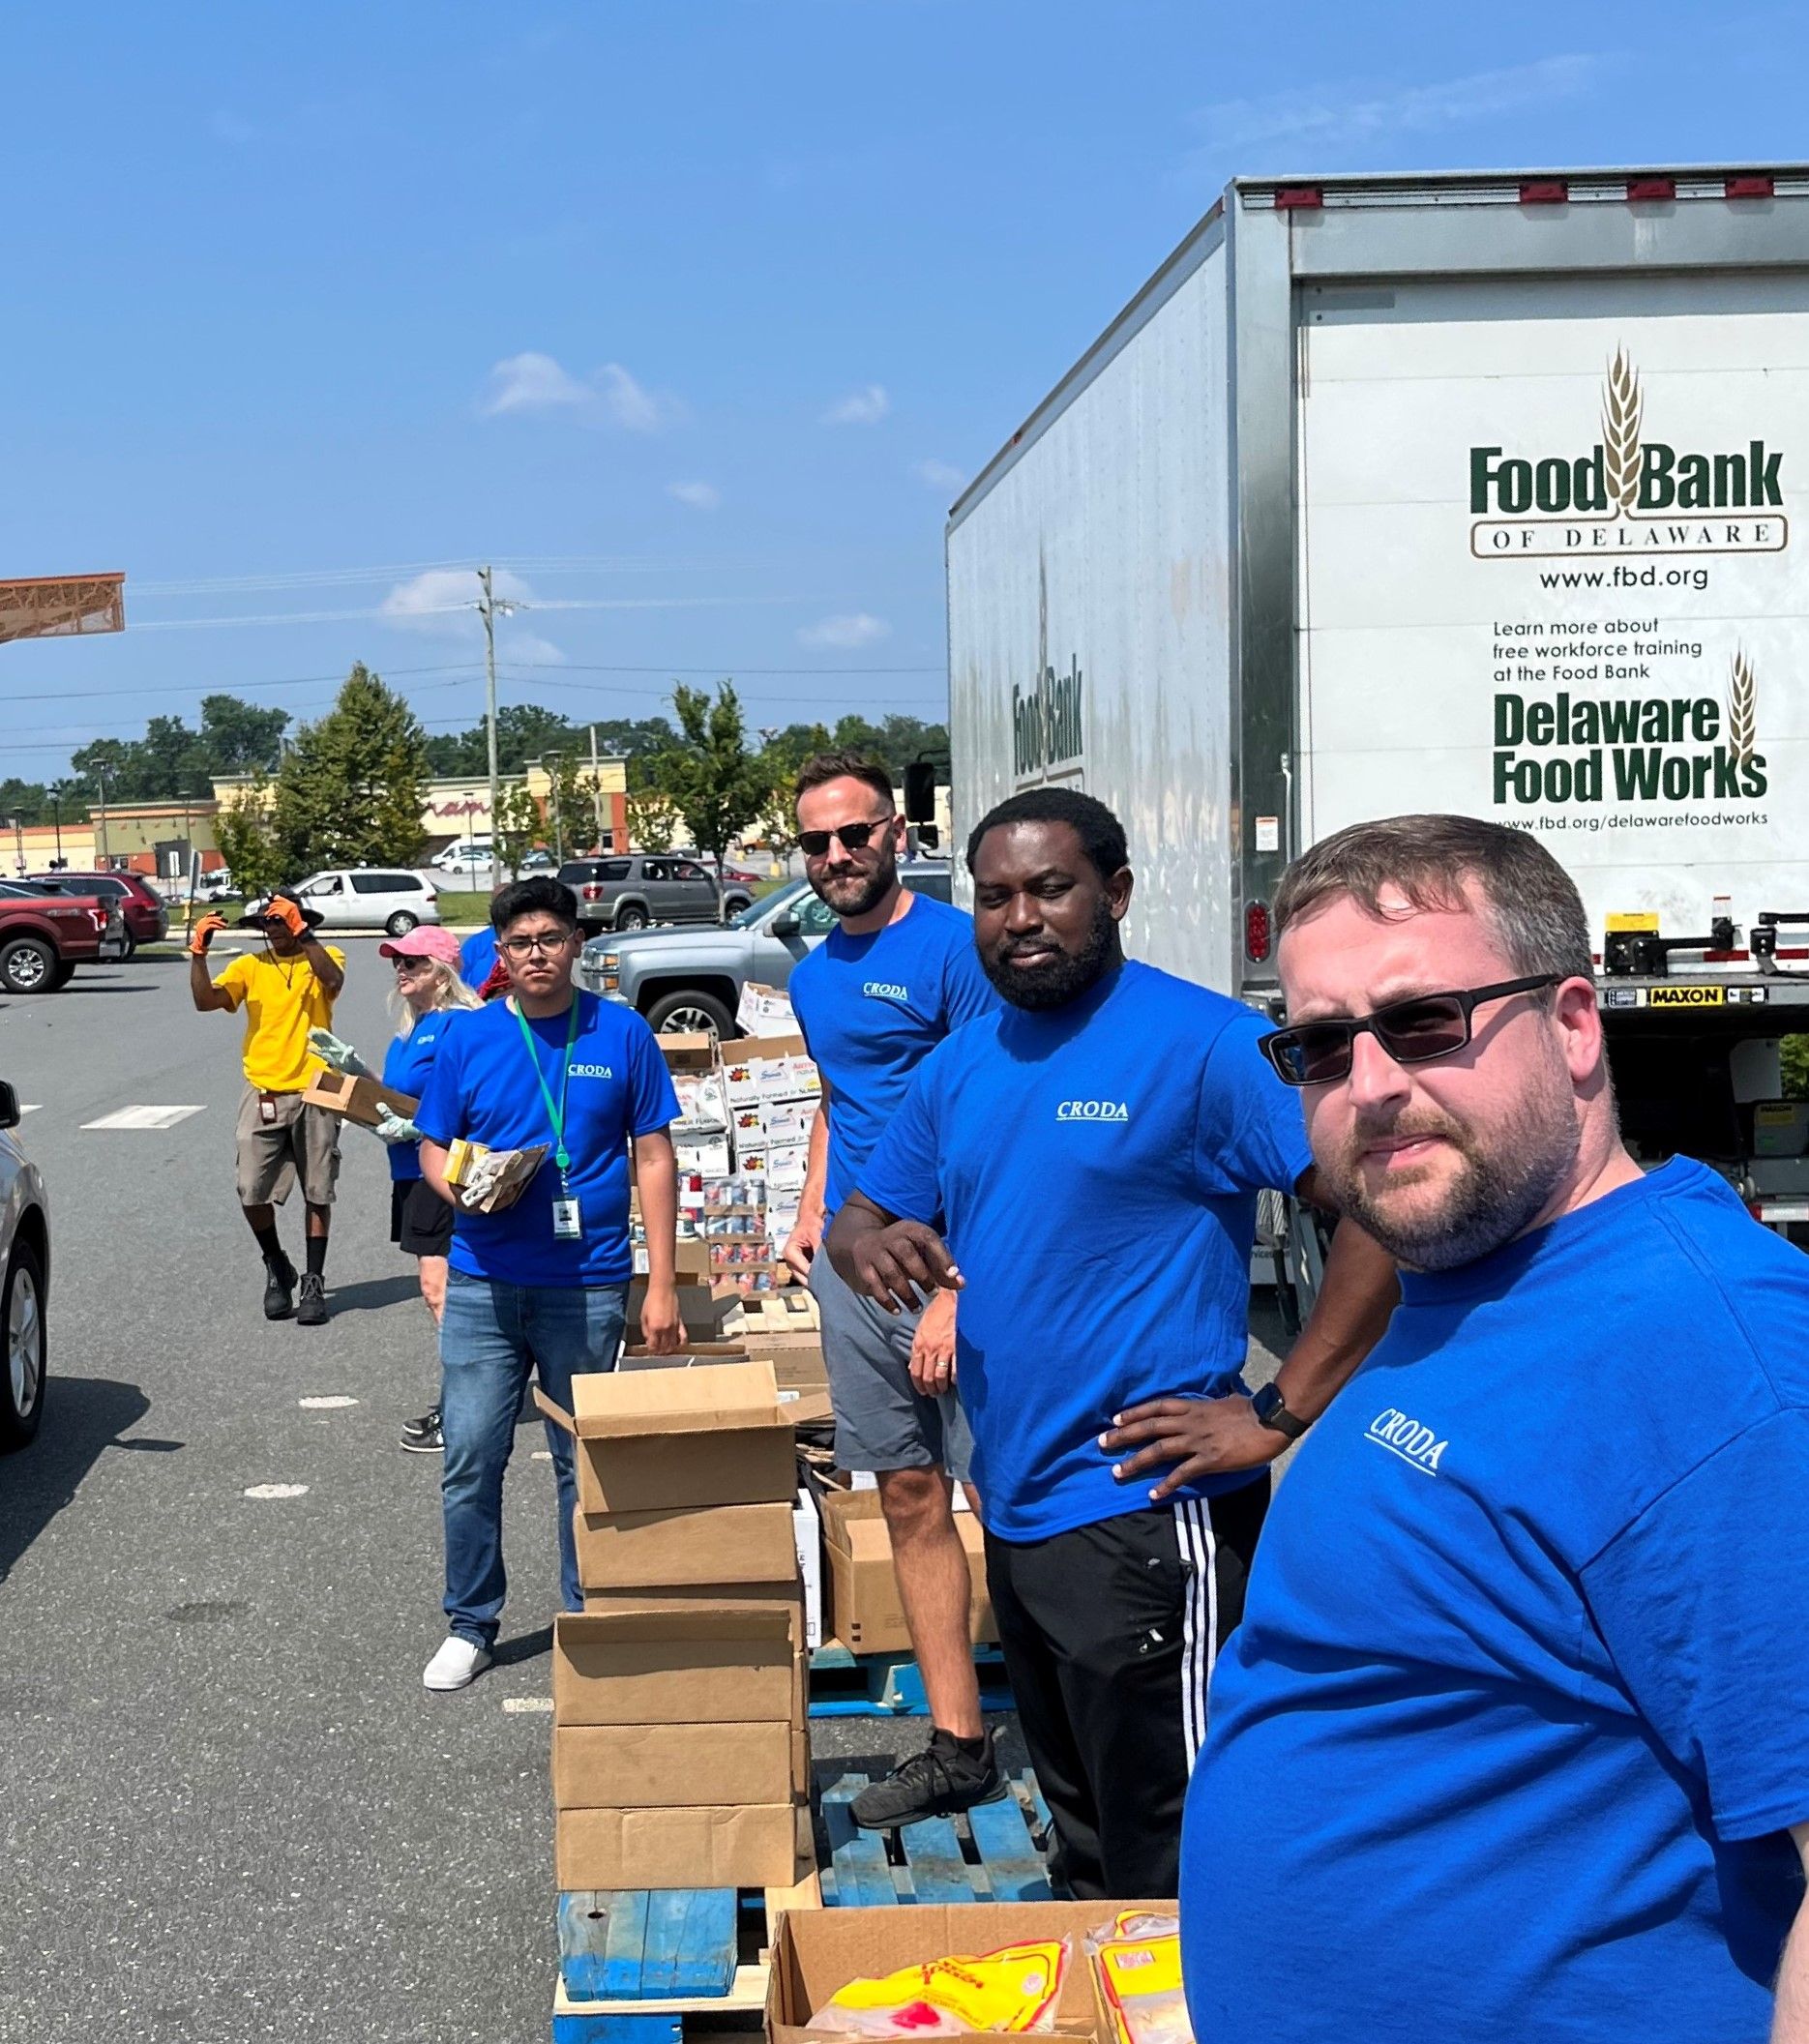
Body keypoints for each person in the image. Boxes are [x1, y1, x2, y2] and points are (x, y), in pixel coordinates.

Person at [1181, 814, 1809, 2044]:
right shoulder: (1471, 1288)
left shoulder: (1712, 1358)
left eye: (1425, 1021)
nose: (1369, 1085)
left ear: (1573, 1025)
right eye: (1319, 1046)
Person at [828, 787, 1397, 1897]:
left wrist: (1275, 1412)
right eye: (993, 896)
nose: (1019, 918)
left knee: (1177, 1859)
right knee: (1085, 1846)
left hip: (1144, 1515)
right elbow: (859, 1214)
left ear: (1116, 892)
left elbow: (1378, 1211)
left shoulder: (1206, 1047)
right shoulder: (965, 1061)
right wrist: (871, 1245)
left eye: (1050, 889)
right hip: (1016, 1508)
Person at [780, 749, 1003, 1829]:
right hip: (856, 1271)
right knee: (908, 1495)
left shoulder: (956, 950)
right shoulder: (813, 973)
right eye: (816, 841)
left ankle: (1071, 1741)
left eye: (854, 833)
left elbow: (992, 1119)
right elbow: (839, 1100)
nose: (836, 854)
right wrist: (807, 1215)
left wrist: (960, 1287)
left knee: (1003, 1496)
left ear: (896, 836)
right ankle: (960, 1742)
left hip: (955, 1269)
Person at [413, 875, 684, 1693]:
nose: (537, 954)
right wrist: (458, 1190)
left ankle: (587, 1609)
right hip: (484, 1282)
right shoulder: (468, 1036)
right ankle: (470, 1621)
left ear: (577, 943)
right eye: (521, 942)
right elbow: (432, 1142)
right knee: (471, 1455)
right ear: (501, 952)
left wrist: (660, 1283)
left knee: (582, 1461)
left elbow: (653, 1156)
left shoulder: (622, 1031)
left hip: (588, 1282)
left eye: (551, 938)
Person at [309, 924, 482, 1453]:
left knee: (439, 1291)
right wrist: (356, 1073)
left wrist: (422, 1128)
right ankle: (474, 1396)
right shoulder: (409, 1032)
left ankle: (465, 1408)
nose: (401, 970)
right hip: (408, 1171)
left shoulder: (459, 1026)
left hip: (442, 1171)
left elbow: (472, 1100)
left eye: (413, 962)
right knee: (450, 1293)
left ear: (442, 973)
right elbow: (394, 1099)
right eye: (397, 962)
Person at [189, 887, 347, 1327]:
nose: (273, 928)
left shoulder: (323, 956)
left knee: (318, 1190)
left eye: (281, 920)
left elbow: (333, 983)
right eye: (268, 922)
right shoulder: (250, 966)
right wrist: (198, 955)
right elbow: (205, 1001)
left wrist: (305, 933)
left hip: (317, 1087)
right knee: (250, 1188)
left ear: (299, 921)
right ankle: (277, 1263)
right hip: (263, 1090)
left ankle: (313, 1281)